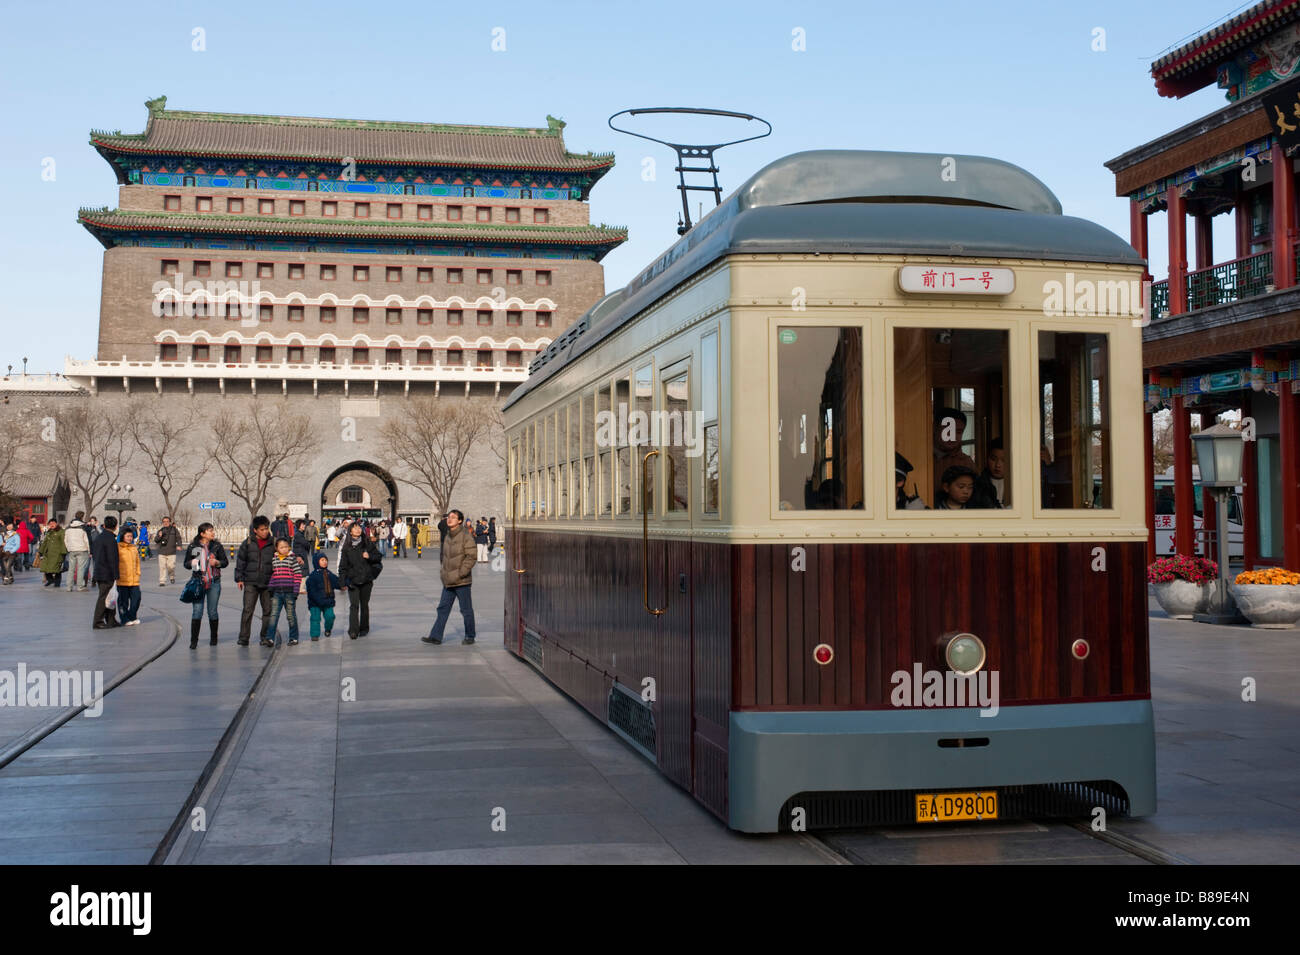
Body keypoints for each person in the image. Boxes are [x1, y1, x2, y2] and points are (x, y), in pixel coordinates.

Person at [423, 509, 477, 646]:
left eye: (453, 517)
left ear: (460, 520)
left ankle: (470, 635)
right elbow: (444, 555)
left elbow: (471, 556)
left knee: (466, 610)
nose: (449, 519)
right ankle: (435, 636)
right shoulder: (447, 535)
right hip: (448, 580)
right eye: (449, 517)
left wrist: (461, 573)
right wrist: (443, 572)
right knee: (442, 608)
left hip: (461, 581)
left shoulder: (466, 535)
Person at [183, 522, 228, 648]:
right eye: (209, 531)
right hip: (199, 582)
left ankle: (214, 638)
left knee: (212, 611)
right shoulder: (193, 546)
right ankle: (194, 641)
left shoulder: (217, 546)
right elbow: (186, 564)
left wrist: (217, 562)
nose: (212, 533)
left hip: (214, 582)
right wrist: (192, 562)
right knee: (197, 612)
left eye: (212, 530)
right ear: (202, 533)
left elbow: (225, 562)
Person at [234, 516, 276, 648]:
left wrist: (295, 557)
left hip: (268, 582)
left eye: (266, 529)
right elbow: (241, 561)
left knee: (268, 611)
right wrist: (239, 578)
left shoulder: (273, 542)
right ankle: (244, 637)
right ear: (255, 530)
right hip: (250, 582)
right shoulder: (247, 543)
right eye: (262, 529)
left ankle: (265, 637)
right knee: (247, 610)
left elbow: (284, 553)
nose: (265, 532)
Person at [339, 520, 382, 639]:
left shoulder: (367, 543)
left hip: (366, 579)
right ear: (350, 531)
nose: (358, 530)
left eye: (359, 528)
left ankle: (364, 628)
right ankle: (353, 630)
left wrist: (370, 556)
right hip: (353, 580)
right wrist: (342, 582)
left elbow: (378, 557)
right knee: (354, 605)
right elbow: (342, 566)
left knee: (364, 605)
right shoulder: (346, 547)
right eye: (355, 528)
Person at [264, 538, 306, 647]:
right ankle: (270, 638)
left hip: (289, 592)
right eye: (281, 547)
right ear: (277, 548)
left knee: (291, 616)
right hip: (277, 593)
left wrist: (296, 590)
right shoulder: (274, 559)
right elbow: (274, 575)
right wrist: (271, 587)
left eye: (286, 547)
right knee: (274, 615)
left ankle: (294, 638)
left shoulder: (292, 559)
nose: (284, 549)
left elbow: (297, 575)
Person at [933, 407, 978, 500]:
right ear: (935, 428)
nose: (952, 436)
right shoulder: (920, 457)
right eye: (948, 430)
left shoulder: (967, 463)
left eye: (958, 432)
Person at [91, 516, 121, 629]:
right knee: (104, 597)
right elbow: (112, 558)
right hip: (107, 572)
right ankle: (98, 621)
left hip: (99, 570)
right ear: (115, 526)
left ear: (104, 525)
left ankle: (111, 619)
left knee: (110, 597)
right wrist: (116, 574)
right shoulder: (110, 539)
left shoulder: (99, 537)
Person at [305, 554, 343, 641]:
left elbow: (337, 582)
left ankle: (328, 629)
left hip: (328, 600)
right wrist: (318, 600)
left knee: (330, 616)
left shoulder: (329, 573)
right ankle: (315, 635)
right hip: (315, 602)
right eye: (322, 560)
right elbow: (311, 591)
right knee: (315, 618)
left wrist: (345, 583)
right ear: (317, 562)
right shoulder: (312, 576)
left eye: (326, 560)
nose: (325, 562)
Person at [116, 527, 142, 626]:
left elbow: (137, 561)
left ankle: (132, 616)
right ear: (122, 536)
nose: (130, 538)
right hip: (122, 579)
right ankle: (124, 618)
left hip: (134, 579)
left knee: (137, 598)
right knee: (123, 601)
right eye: (128, 536)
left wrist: (138, 572)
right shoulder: (118, 547)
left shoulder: (133, 547)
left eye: (131, 536)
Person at [971, 439, 1007, 509]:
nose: (998, 465)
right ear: (986, 459)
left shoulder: (1017, 483)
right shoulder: (978, 483)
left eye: (1003, 460)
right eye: (993, 459)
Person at [63, 512, 92, 591]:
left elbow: (65, 540)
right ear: (82, 517)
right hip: (82, 549)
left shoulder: (68, 528)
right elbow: (86, 540)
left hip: (72, 550)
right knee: (80, 569)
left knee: (71, 569)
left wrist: (68, 548)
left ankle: (69, 587)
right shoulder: (83, 528)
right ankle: (79, 586)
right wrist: (89, 550)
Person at [38, 518, 67, 588]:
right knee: (45, 568)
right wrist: (40, 551)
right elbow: (44, 542)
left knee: (57, 569)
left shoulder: (61, 531)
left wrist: (63, 553)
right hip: (48, 553)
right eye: (50, 524)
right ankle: (50, 580)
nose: (52, 525)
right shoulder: (49, 532)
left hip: (57, 553)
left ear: (56, 523)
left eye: (53, 523)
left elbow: (63, 542)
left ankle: (57, 583)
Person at [154, 516, 182, 584]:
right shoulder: (160, 531)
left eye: (167, 521)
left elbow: (178, 538)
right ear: (162, 523)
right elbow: (156, 540)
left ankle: (172, 576)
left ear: (169, 522)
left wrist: (179, 545)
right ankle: (162, 581)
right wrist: (159, 536)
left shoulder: (174, 530)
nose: (165, 523)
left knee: (171, 567)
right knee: (162, 567)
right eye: (164, 522)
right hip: (162, 551)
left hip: (171, 552)